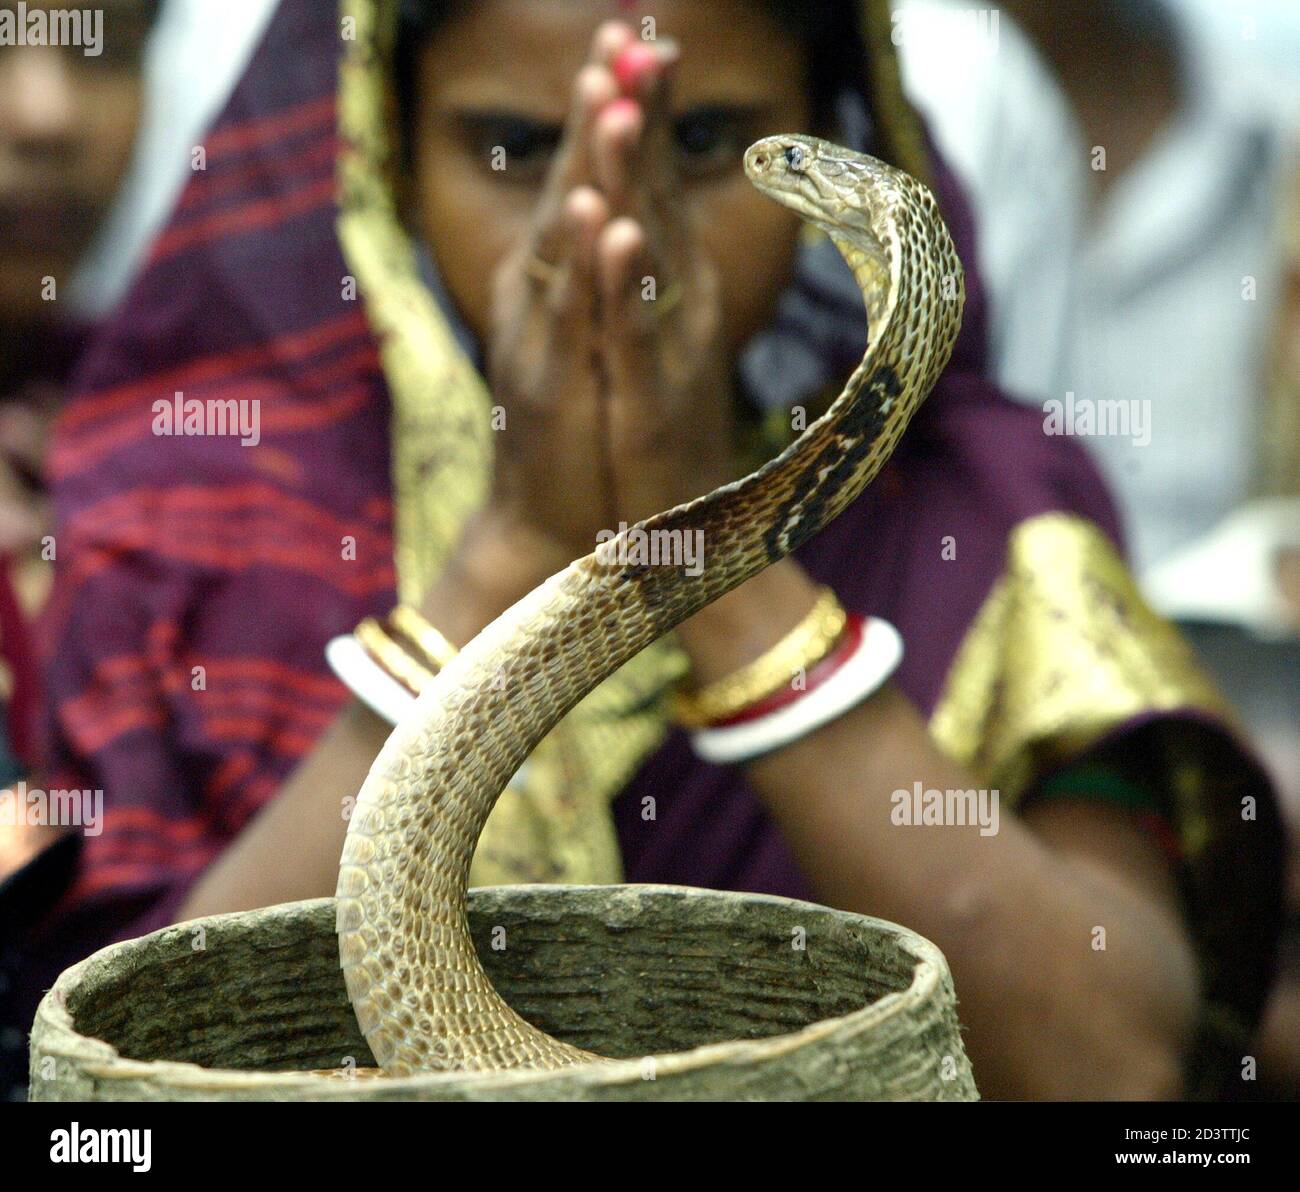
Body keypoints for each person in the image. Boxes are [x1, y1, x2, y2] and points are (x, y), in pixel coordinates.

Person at [7, 0, 1285, 1101]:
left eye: (703, 142)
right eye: (510, 147)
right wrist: (511, 545)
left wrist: (708, 547)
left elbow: (1113, 1076)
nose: (606, 219)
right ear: (382, 154)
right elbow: (118, 1076)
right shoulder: (180, 524)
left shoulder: (986, 511)